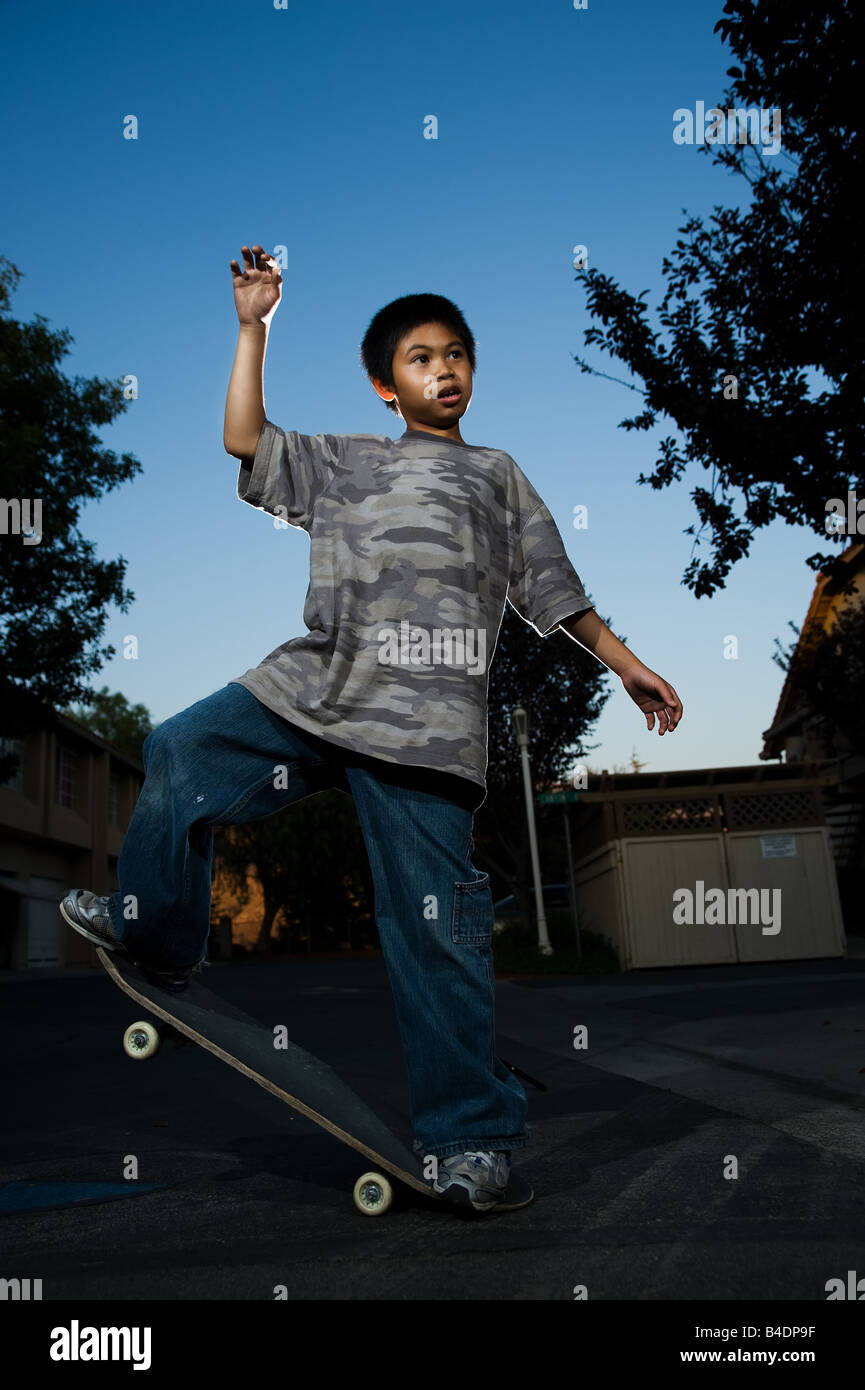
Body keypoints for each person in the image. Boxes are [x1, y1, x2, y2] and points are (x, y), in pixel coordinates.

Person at [61, 246, 683, 1213]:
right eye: (420, 357)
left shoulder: (496, 475)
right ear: (385, 384)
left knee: (435, 935)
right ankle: (158, 931)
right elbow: (242, 438)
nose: (443, 369)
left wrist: (626, 661)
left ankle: (471, 1141)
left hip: (429, 732)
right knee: (181, 748)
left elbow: (552, 589)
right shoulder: (344, 460)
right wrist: (252, 326)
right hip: (320, 690)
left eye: (457, 355)